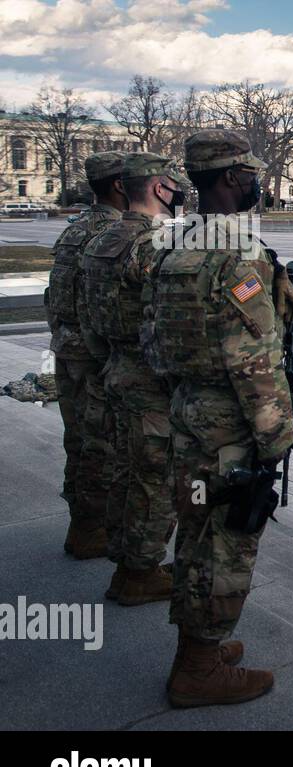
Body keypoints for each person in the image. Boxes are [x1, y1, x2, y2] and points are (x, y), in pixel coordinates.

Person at [145, 129, 293, 707]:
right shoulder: (238, 253)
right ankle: (197, 669)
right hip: (229, 431)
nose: (257, 182)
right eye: (252, 173)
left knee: (194, 531)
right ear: (234, 178)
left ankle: (202, 648)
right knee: (228, 545)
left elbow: (151, 338)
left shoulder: (176, 244)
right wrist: (277, 437)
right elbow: (254, 362)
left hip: (186, 415)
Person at [82, 152, 187, 605]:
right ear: (161, 188)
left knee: (126, 472)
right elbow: (171, 320)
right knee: (153, 480)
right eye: (174, 186)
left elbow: (86, 315)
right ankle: (140, 573)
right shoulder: (150, 245)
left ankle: (126, 562)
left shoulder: (102, 239)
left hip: (114, 370)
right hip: (148, 380)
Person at [45, 151, 128, 560]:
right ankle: (90, 529)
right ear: (118, 186)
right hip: (94, 359)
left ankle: (81, 521)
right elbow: (106, 308)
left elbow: (54, 296)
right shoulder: (110, 235)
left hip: (66, 351)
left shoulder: (75, 230)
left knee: (78, 441)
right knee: (102, 446)